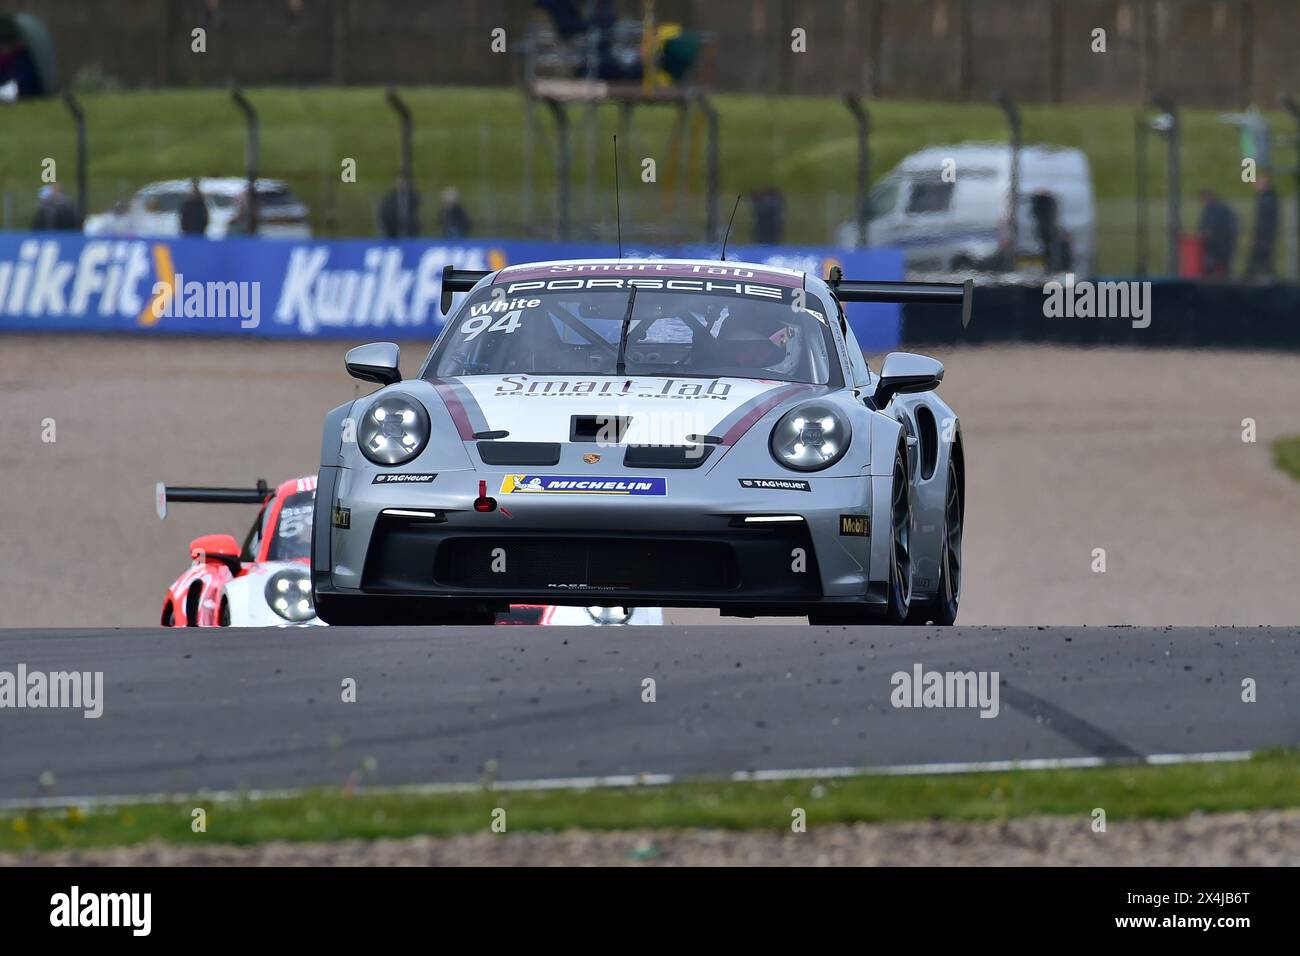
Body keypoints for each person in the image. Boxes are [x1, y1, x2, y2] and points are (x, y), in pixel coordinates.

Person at [1197, 188, 1238, 279]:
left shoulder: (1217, 209)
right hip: (1220, 242)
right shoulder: (1213, 208)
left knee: (1217, 264)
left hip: (1220, 243)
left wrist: (1206, 232)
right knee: (1219, 266)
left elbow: (1211, 226)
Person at [1245, 174, 1278, 279]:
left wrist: (1256, 233)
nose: (1255, 186)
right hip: (1266, 234)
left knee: (1259, 257)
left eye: (1257, 184)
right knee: (1264, 258)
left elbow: (1263, 219)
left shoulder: (1266, 200)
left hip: (1264, 234)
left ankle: (1249, 277)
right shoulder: (1268, 198)